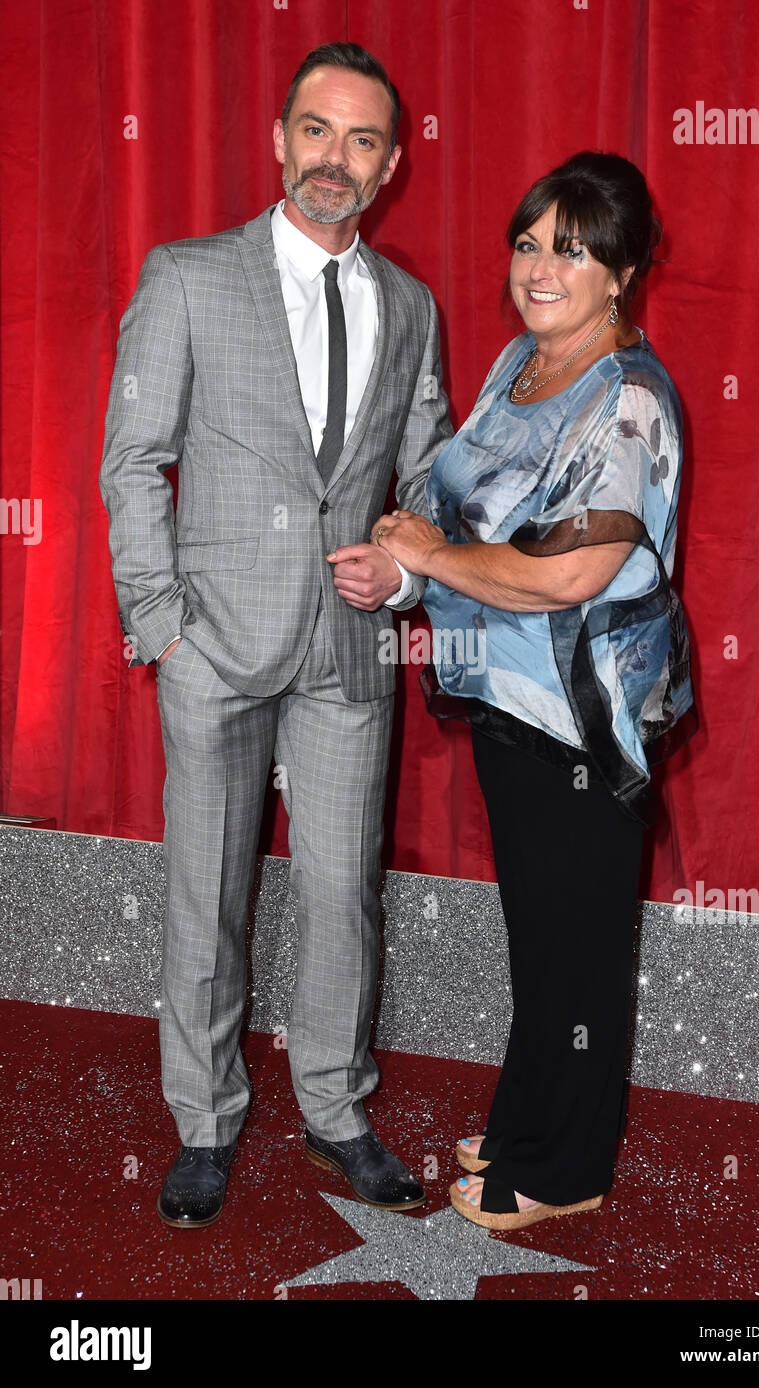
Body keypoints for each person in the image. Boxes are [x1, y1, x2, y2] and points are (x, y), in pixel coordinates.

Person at [99, 41, 452, 1227]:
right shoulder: (190, 275)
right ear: (279, 138)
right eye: (316, 130)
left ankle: (337, 1108)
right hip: (215, 645)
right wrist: (162, 626)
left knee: (345, 891)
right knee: (208, 890)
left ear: (392, 163)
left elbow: (433, 476)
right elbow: (132, 460)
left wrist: (405, 570)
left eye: (361, 140)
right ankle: (204, 1119)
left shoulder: (411, 306)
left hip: (350, 653)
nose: (333, 159)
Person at [373, 151, 697, 1231]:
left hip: (580, 719)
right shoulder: (523, 358)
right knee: (543, 939)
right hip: (506, 703)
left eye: (572, 247)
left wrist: (431, 554)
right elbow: (456, 495)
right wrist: (408, 544)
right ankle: (528, 1117)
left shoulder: (631, 401)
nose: (540, 266)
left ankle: (563, 1166)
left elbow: (567, 571)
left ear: (624, 270)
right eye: (528, 241)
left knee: (578, 948)